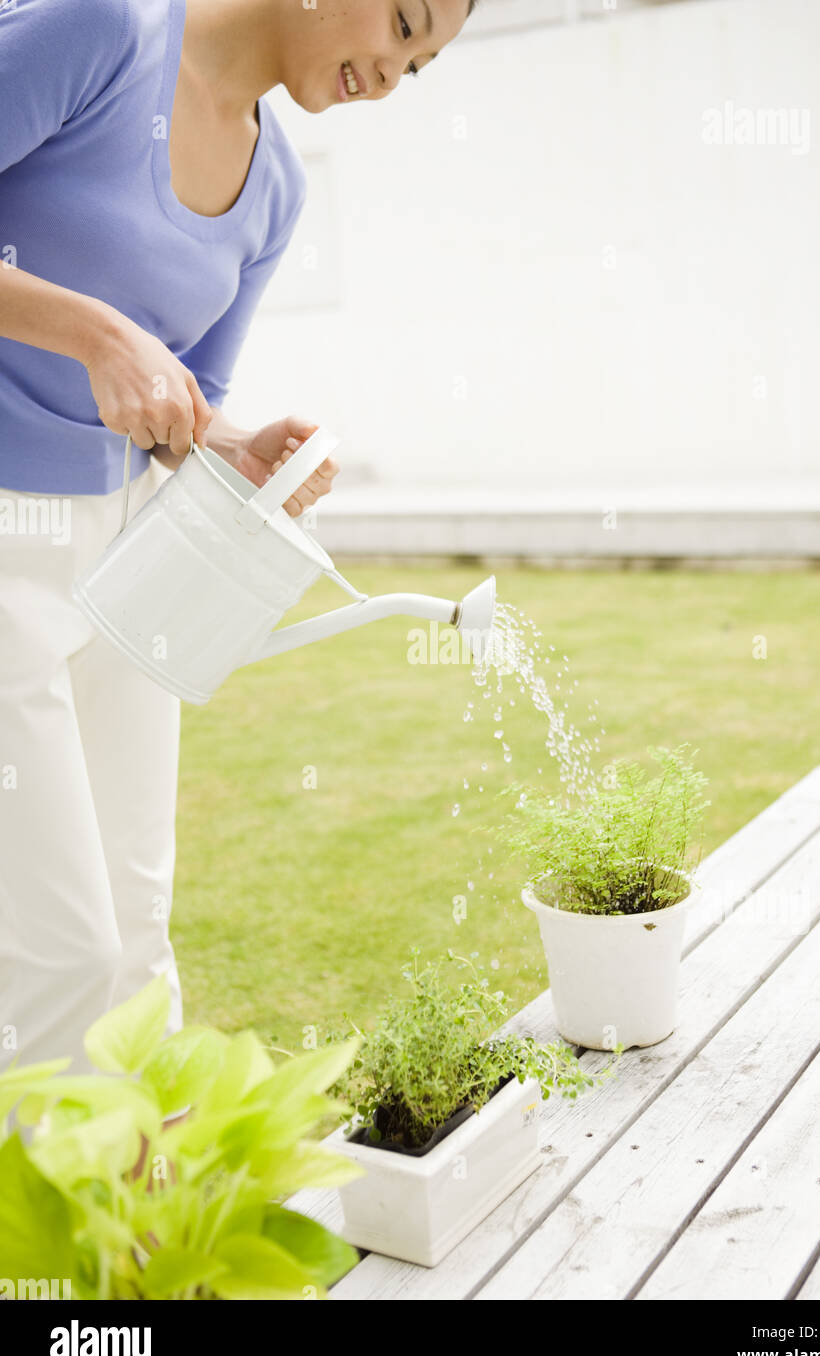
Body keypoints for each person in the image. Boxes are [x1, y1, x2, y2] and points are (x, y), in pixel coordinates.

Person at [0, 0, 474, 1076]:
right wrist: (97, 331)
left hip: (131, 559)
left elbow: (186, 403)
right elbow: (120, 352)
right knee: (57, 952)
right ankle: (39, 1244)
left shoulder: (278, 191)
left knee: (133, 937)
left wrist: (235, 442)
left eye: (423, 62)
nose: (396, 72)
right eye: (403, 24)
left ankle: (143, 1232)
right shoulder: (104, 29)